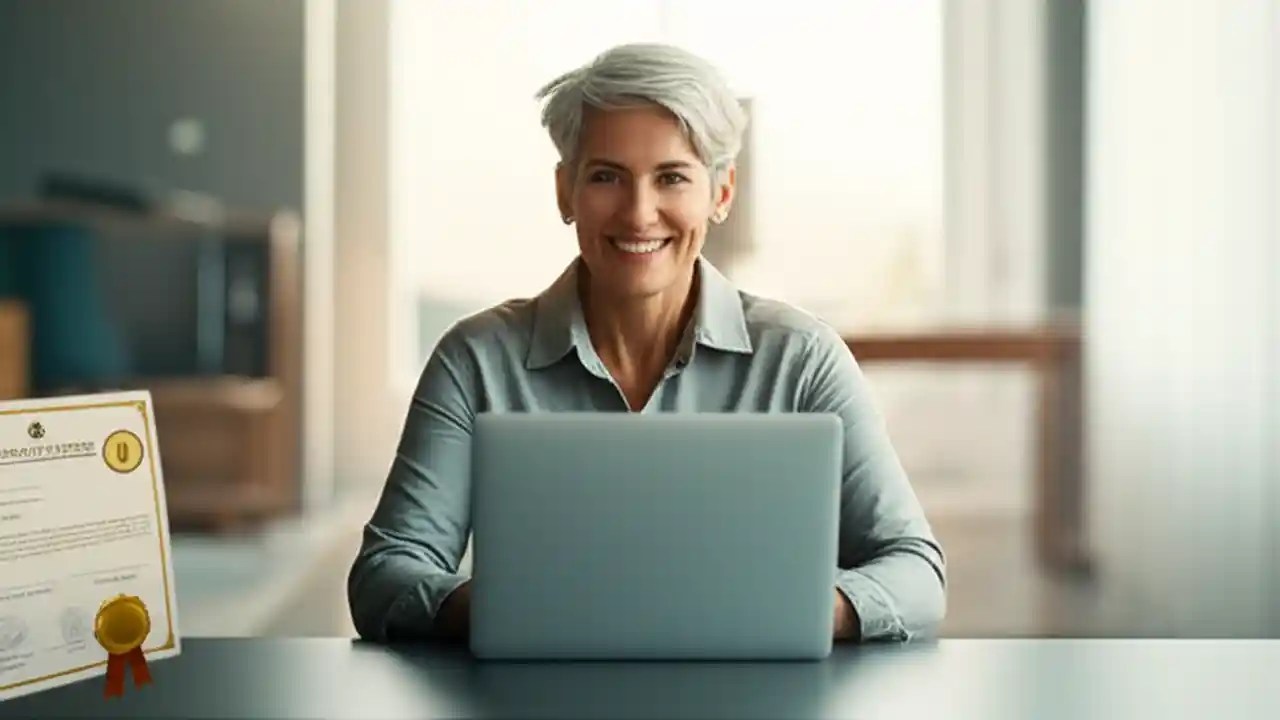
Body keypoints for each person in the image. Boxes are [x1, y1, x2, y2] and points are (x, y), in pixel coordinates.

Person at [347, 42, 946, 645]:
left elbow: (916, 570)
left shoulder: (802, 360)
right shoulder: (475, 360)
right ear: (565, 192)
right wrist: (510, 609)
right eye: (607, 176)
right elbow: (384, 574)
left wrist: (807, 611)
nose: (639, 213)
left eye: (672, 178)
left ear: (721, 193)